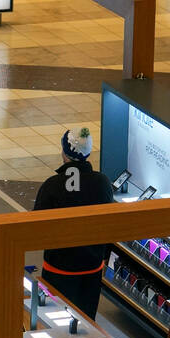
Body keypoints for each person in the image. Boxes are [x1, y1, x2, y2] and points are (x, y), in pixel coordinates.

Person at [32, 127, 113, 319]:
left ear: (64, 152)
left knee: (54, 320)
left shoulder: (52, 185)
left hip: (59, 268)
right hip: (91, 268)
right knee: (85, 322)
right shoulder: (102, 183)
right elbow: (109, 224)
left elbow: (35, 227)